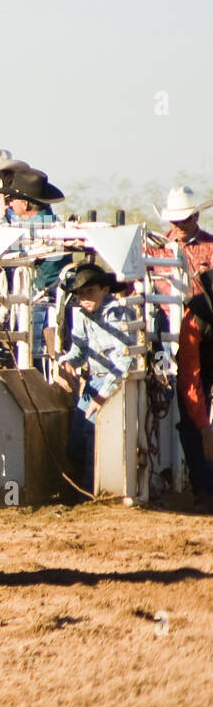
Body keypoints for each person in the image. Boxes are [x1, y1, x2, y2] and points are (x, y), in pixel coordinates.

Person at [57, 263, 136, 489]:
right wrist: (65, 363)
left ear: (104, 289)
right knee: (75, 444)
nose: (84, 298)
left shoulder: (119, 313)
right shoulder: (82, 316)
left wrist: (102, 396)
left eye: (89, 291)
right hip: (94, 381)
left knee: (93, 438)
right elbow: (78, 352)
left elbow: (125, 358)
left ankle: (91, 491)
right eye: (80, 294)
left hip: (115, 383)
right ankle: (87, 488)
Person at [3, 167, 66, 356]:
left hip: (39, 298)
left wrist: (0, 219)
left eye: (13, 199)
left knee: (32, 352)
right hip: (54, 296)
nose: (10, 204)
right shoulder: (52, 220)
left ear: (25, 203)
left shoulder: (33, 227)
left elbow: (5, 247)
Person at [175, 269, 213, 508]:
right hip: (201, 369)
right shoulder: (194, 318)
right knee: (191, 427)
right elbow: (190, 378)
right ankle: (203, 489)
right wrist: (204, 427)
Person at [154, 185, 213, 276]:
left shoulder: (211, 247)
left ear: (196, 216)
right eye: (175, 221)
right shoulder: (156, 247)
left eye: (185, 220)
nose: (180, 226)